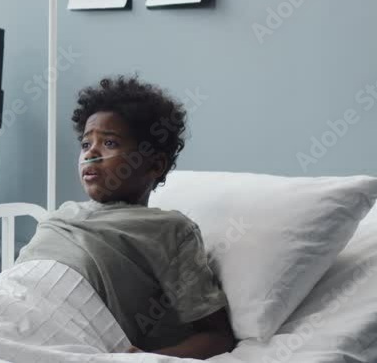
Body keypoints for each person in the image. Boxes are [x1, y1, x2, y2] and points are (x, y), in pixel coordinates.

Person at [15, 76, 236, 358]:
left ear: (155, 164)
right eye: (85, 145)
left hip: (59, 329)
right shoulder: (64, 215)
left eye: (109, 143)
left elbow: (217, 336)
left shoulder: (168, 229)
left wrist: (143, 358)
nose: (91, 154)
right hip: (5, 304)